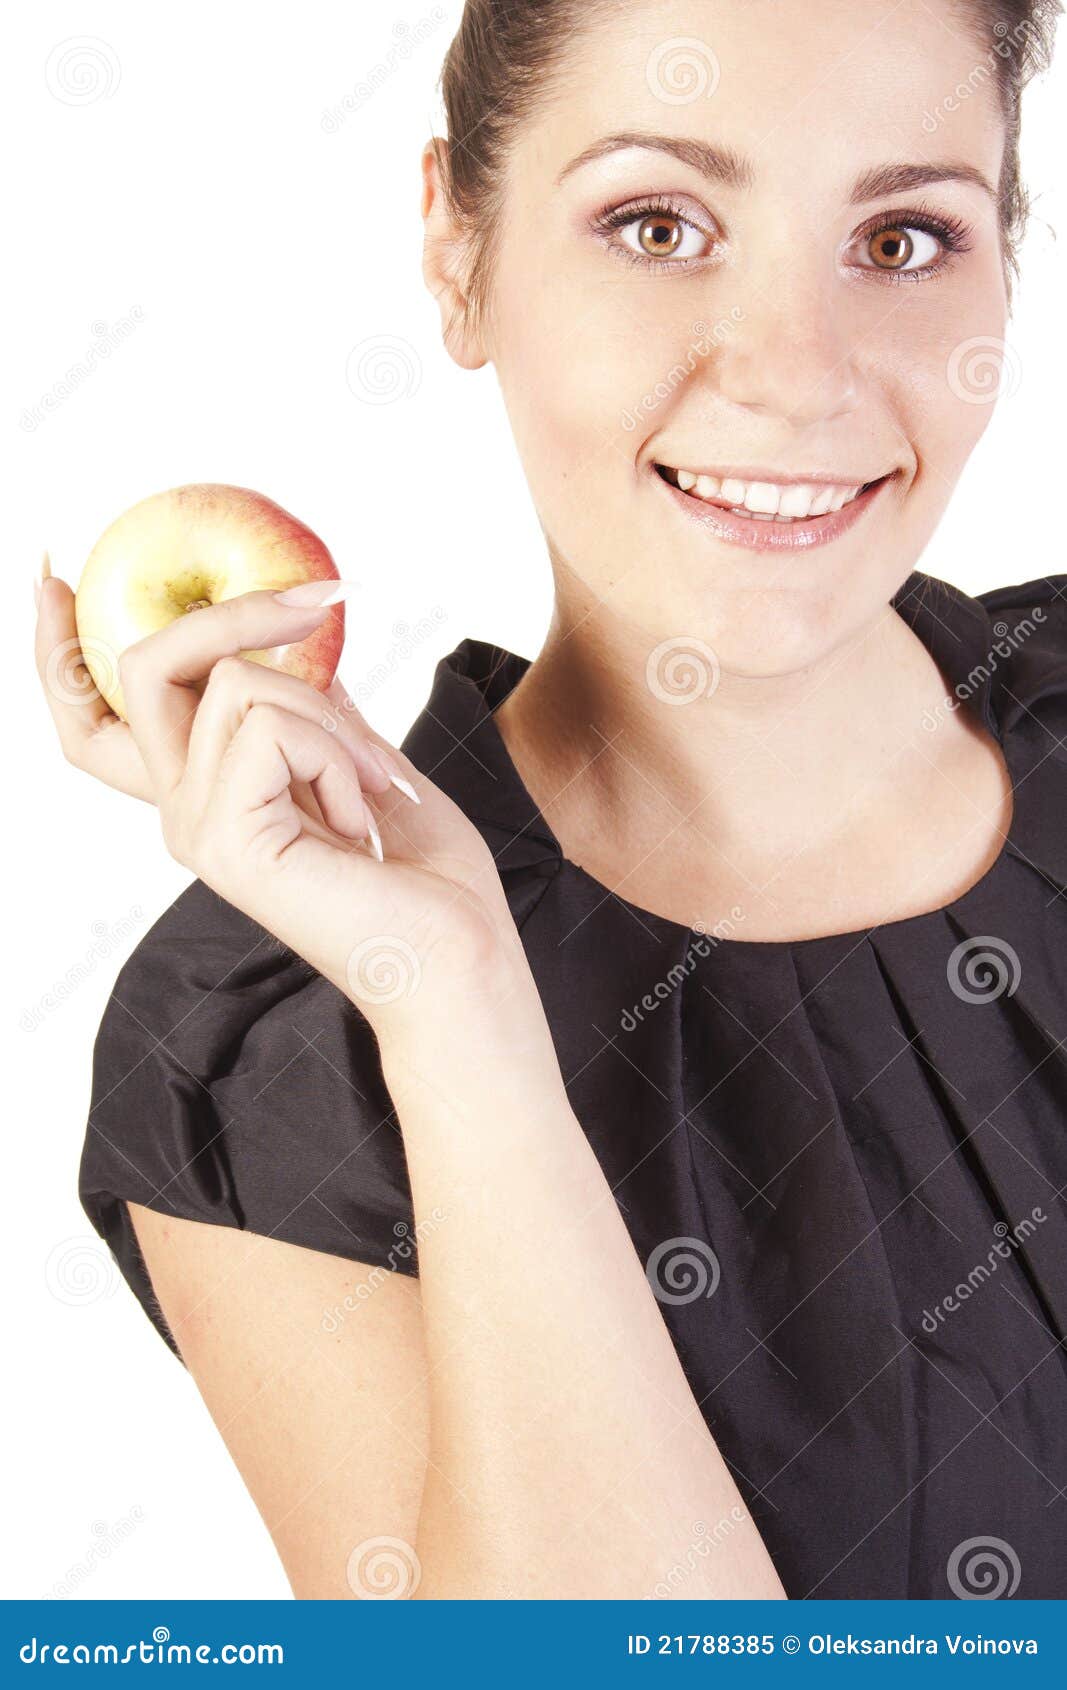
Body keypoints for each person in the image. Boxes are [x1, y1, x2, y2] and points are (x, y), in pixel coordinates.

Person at [34, 0, 1066, 1600]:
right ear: (458, 253)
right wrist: (453, 1012)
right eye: (659, 224)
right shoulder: (272, 1052)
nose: (796, 376)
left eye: (903, 238)